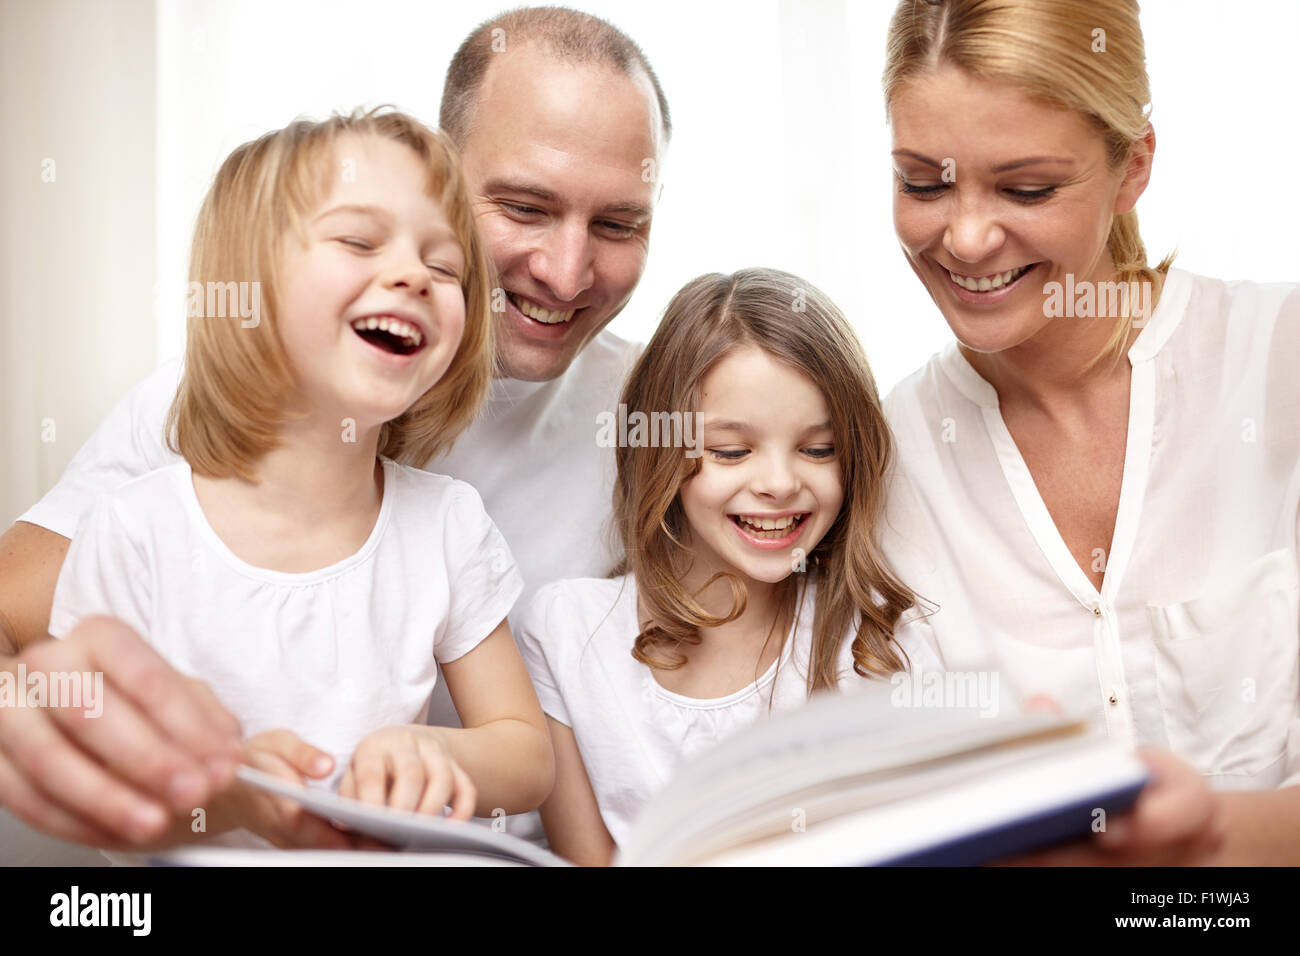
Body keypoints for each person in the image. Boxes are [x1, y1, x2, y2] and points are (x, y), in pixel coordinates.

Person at [0, 6, 665, 850]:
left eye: (617, 224)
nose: (567, 272)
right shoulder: (184, 450)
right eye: (525, 207)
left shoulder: (662, 423)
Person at [47, 108, 554, 852]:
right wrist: (233, 797)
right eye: (357, 241)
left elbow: (525, 755)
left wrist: (437, 754)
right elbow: (85, 771)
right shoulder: (134, 531)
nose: (414, 274)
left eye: (445, 267)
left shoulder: (447, 525)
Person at [880, 0, 1298, 863]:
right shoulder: (882, 458)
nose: (964, 236)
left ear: (1133, 165)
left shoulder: (1276, 363)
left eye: (1027, 188)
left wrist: (1206, 842)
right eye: (923, 181)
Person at [518, 269, 943, 865]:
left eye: (819, 449)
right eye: (731, 451)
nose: (778, 483)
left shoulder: (878, 647)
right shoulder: (565, 633)